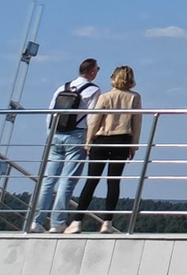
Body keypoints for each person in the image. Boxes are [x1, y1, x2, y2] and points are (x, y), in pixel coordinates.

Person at [31, 58, 100, 233]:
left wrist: (50, 134)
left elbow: (51, 112)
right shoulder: (93, 90)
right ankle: (57, 223)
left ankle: (36, 221)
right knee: (67, 180)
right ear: (92, 72)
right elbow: (92, 117)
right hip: (76, 135)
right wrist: (89, 141)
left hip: (56, 134)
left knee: (48, 180)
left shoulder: (63, 87)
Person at [73, 66, 141, 232]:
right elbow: (137, 122)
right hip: (123, 140)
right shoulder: (134, 97)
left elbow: (95, 121)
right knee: (114, 181)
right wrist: (134, 145)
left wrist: (88, 142)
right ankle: (107, 222)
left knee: (92, 180)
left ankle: (77, 221)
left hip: (102, 139)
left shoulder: (105, 97)